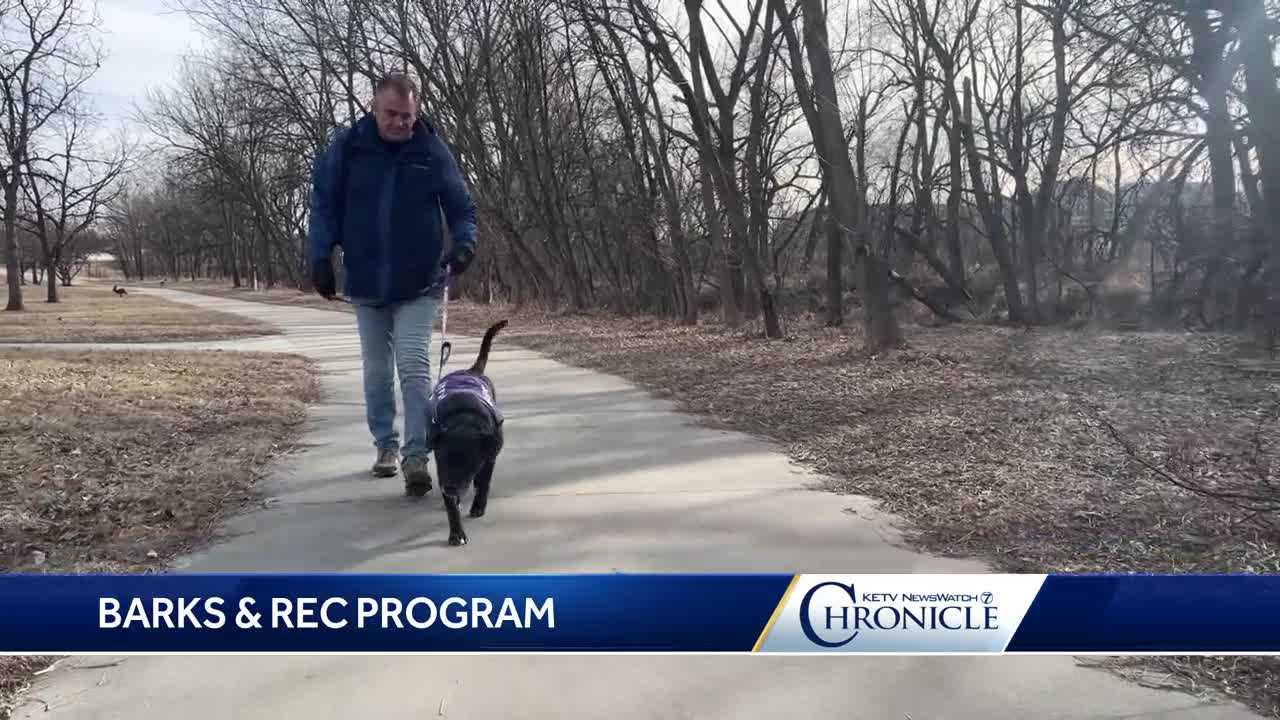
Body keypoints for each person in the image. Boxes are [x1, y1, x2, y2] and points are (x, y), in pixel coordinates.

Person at [306, 73, 477, 496]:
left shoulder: (430, 150)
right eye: (392, 114)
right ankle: (385, 443)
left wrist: (464, 245)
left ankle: (416, 455)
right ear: (374, 107)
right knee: (377, 370)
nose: (401, 122)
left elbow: (461, 207)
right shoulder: (348, 148)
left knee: (414, 367)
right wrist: (319, 256)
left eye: (408, 116)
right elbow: (323, 204)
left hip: (419, 280)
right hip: (366, 281)